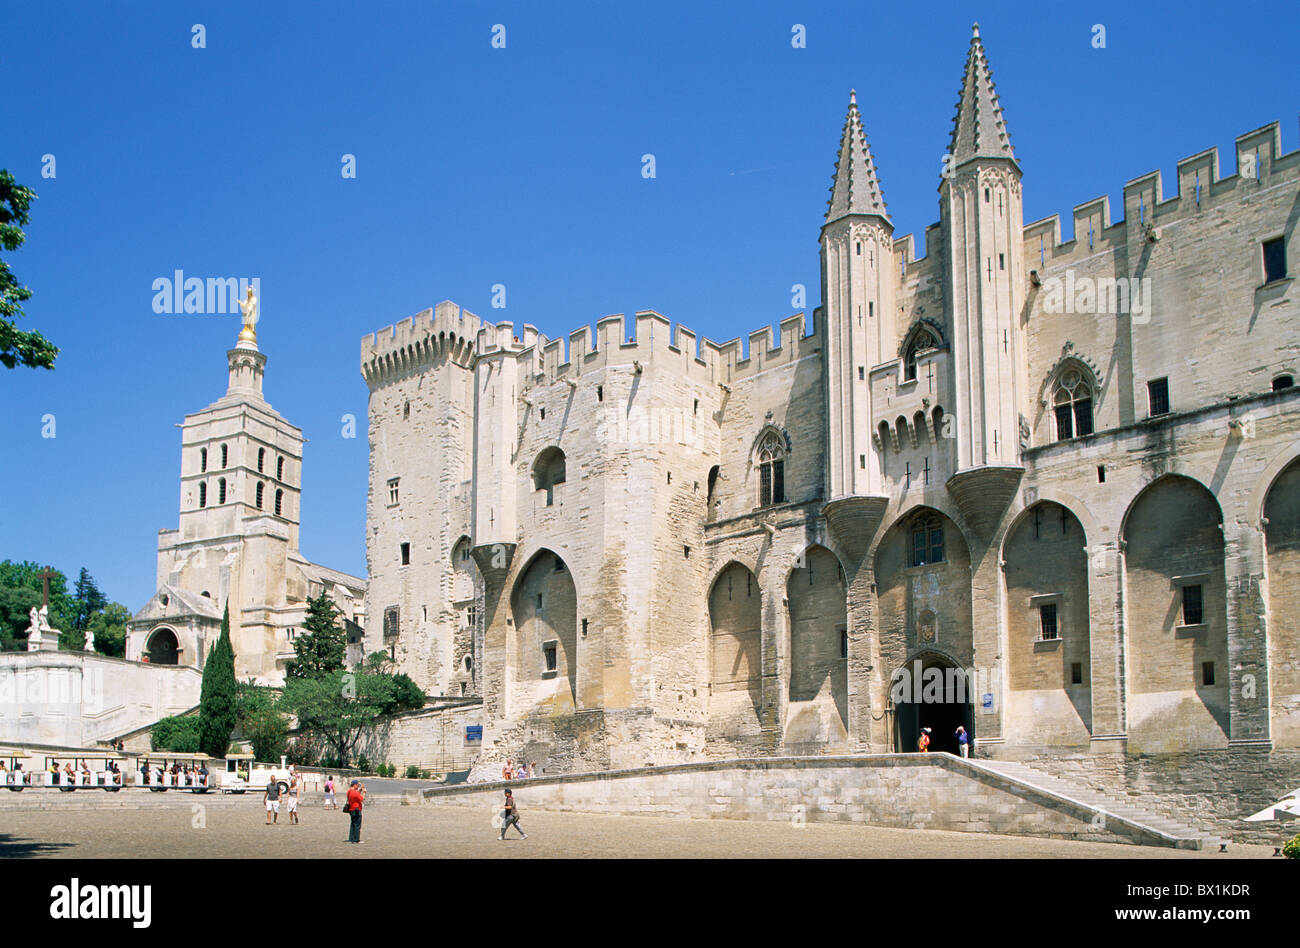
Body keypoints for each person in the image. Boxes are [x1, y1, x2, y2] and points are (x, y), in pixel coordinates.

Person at [345, 779, 366, 843]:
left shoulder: (349, 791)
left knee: (353, 824)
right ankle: (356, 839)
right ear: (354, 785)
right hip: (356, 809)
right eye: (357, 785)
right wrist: (364, 792)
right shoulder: (354, 792)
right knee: (357, 824)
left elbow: (356, 796)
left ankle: (351, 838)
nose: (358, 786)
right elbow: (361, 799)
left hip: (351, 809)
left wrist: (360, 790)